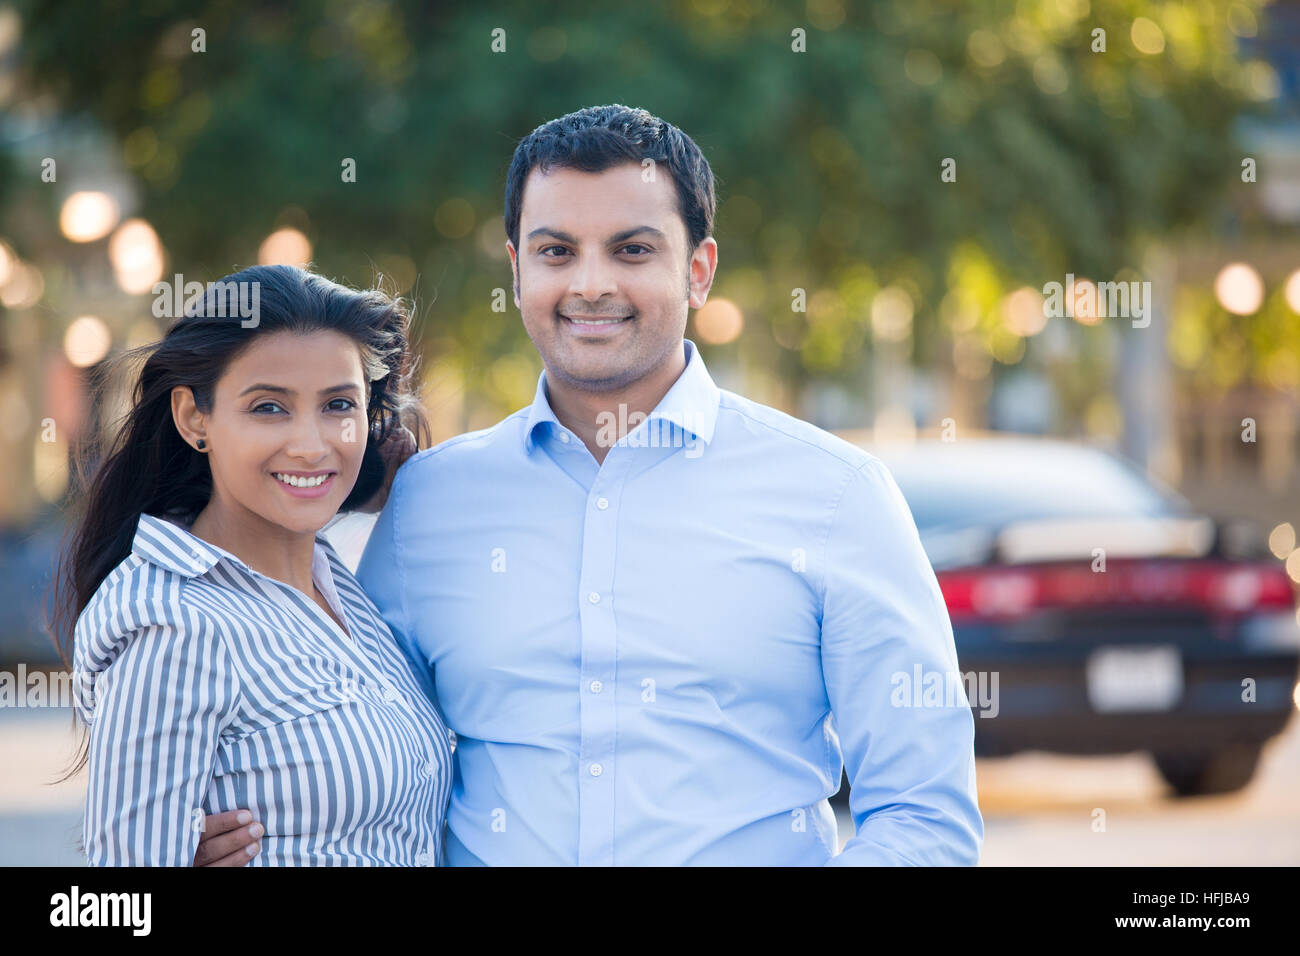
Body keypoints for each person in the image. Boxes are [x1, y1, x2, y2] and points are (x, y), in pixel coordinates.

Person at [202, 104, 984, 865]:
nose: (590, 284)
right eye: (556, 251)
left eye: (633, 250)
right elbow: (360, 760)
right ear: (516, 270)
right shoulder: (431, 502)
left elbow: (925, 818)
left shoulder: (835, 496)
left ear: (699, 271)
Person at [53, 264, 452, 865]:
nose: (311, 444)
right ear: (195, 418)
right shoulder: (176, 624)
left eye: (338, 405)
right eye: (269, 407)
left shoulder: (344, 589)